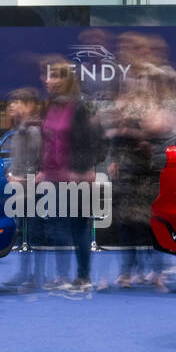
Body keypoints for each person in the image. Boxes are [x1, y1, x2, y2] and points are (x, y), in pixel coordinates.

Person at [38, 63, 103, 292]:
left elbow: (88, 140)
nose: (47, 80)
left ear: (65, 79)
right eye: (47, 76)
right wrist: (42, 170)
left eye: (53, 75)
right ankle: (61, 276)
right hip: (53, 176)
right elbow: (47, 141)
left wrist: (84, 170)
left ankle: (83, 277)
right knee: (56, 227)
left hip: (76, 176)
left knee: (78, 226)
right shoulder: (50, 107)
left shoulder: (80, 107)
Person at [2, 87, 44, 290]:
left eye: (17, 102)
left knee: (33, 232)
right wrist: (10, 174)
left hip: (33, 189)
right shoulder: (18, 131)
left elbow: (36, 161)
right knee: (22, 232)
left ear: (29, 106)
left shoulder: (33, 131)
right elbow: (16, 160)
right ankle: (25, 273)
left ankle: (36, 276)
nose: (12, 105)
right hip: (20, 188)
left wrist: (22, 178)